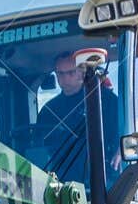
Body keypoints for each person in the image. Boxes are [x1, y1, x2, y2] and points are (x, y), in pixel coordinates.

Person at [34, 50, 118, 182]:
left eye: (70, 73)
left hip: (101, 180)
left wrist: (121, 151)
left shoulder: (106, 100)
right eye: (60, 73)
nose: (65, 78)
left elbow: (123, 136)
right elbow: (38, 149)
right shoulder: (47, 111)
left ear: (82, 72)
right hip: (59, 183)